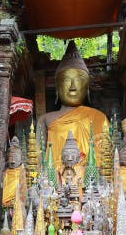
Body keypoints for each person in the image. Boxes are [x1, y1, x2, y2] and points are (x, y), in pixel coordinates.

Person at [38, 41, 108, 176]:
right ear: (57, 88)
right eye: (66, 80)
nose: (72, 87)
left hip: (89, 178)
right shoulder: (45, 119)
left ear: (87, 88)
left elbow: (104, 158)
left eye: (79, 80)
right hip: (53, 179)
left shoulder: (98, 117)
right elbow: (38, 155)